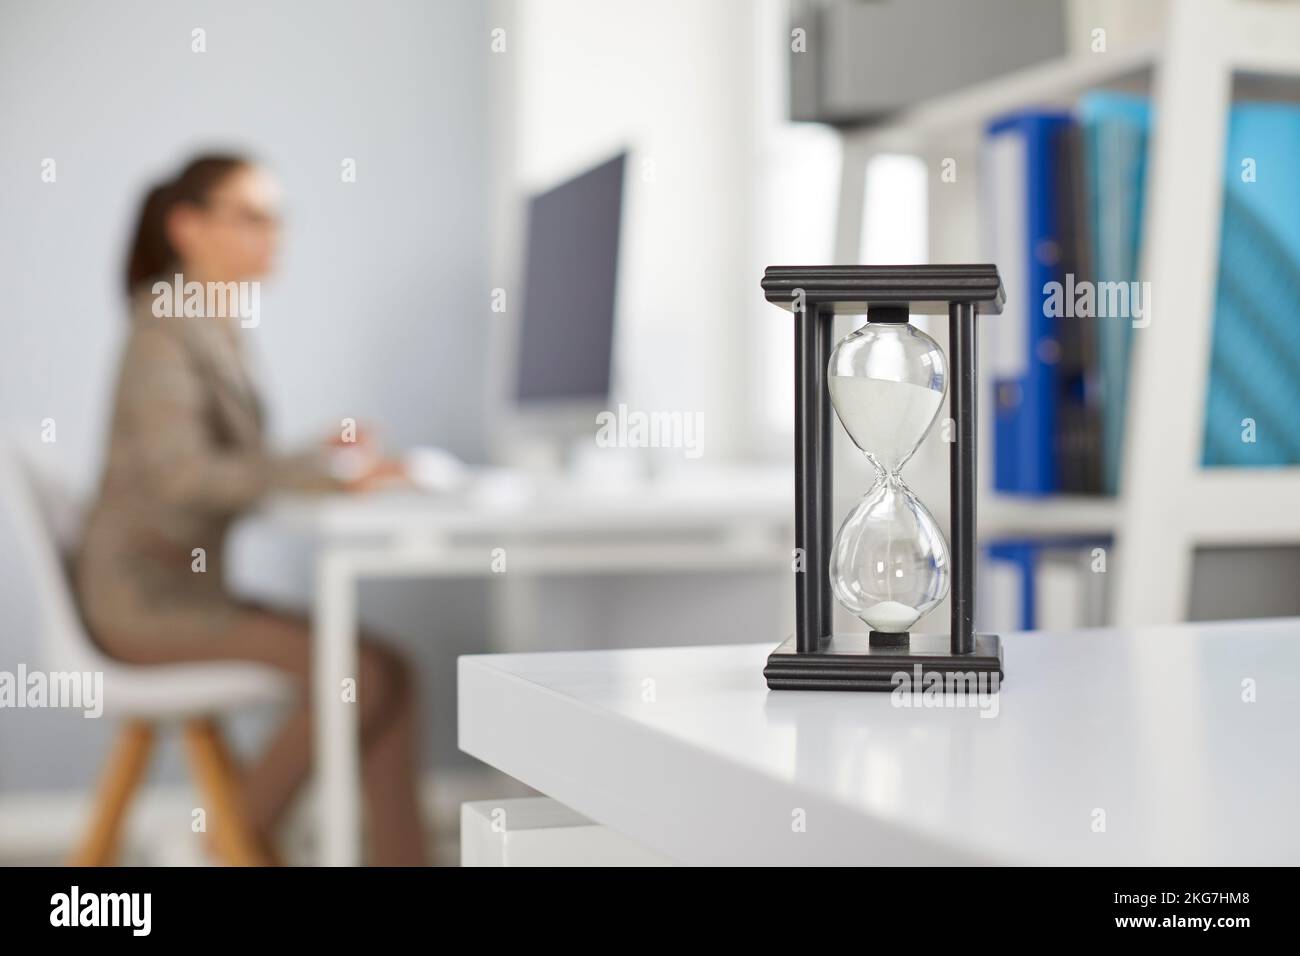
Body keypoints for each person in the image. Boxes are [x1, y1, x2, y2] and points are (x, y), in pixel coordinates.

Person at [75, 154, 427, 866]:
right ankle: (228, 837)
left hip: (186, 594)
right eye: (253, 217)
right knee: (367, 675)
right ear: (188, 227)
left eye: (278, 218)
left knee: (390, 668)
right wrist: (324, 475)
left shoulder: (213, 323)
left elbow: (223, 465)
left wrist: (319, 459)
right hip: (147, 606)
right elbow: (185, 477)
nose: (276, 235)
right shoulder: (164, 328)